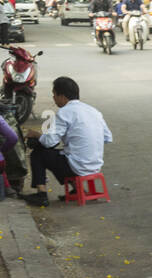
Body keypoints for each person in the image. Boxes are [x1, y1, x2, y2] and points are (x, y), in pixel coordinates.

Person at [22, 77, 112, 208]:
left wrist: (36, 134)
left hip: (77, 165)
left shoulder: (64, 112)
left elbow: (49, 142)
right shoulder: (93, 111)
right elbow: (107, 137)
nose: (53, 98)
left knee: (38, 154)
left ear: (62, 96)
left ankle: (41, 194)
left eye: (54, 95)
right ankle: (77, 188)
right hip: (95, 164)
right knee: (63, 154)